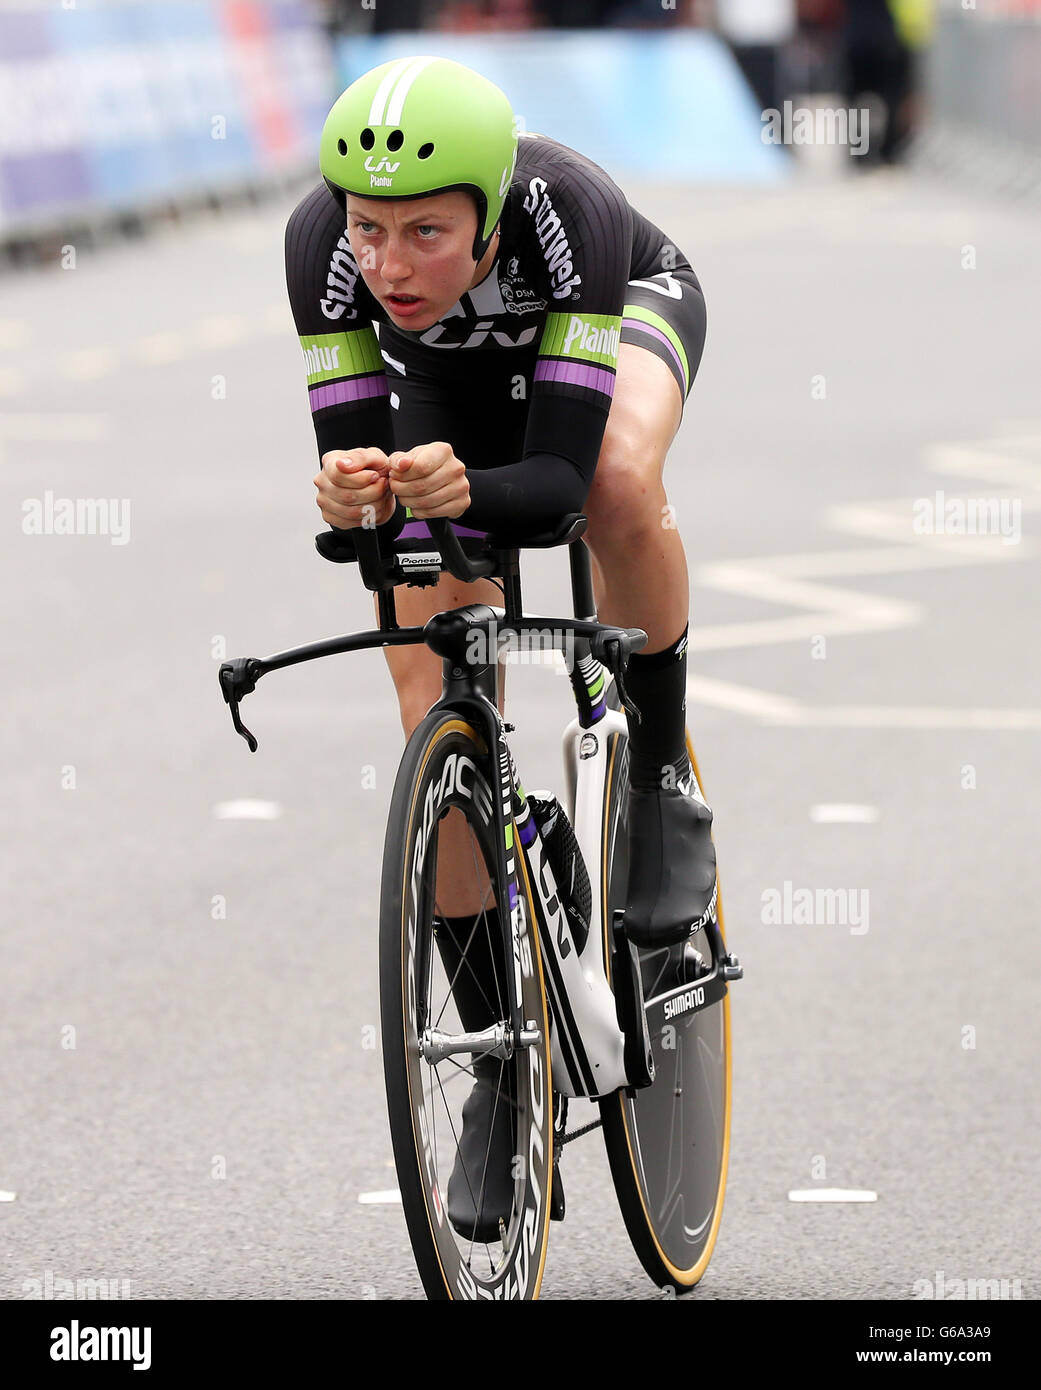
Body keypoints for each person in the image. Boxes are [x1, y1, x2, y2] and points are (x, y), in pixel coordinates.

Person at [285, 55, 716, 1241]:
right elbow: (371, 489)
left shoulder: (567, 207)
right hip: (452, 386)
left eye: (426, 232)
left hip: (614, 321)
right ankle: (497, 1063)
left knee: (626, 487)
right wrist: (357, 493)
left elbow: (560, 489)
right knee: (429, 684)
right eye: (370, 232)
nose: (386, 264)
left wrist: (467, 491)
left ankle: (665, 770)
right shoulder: (319, 243)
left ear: (488, 212)